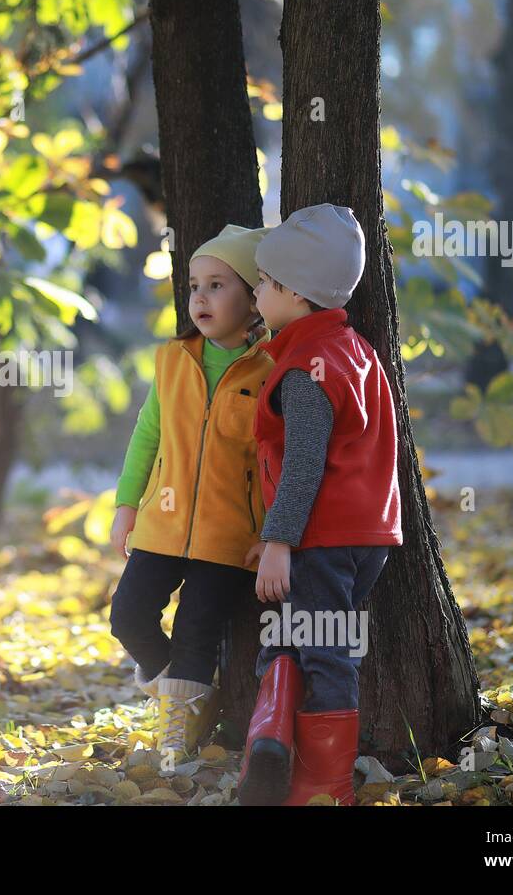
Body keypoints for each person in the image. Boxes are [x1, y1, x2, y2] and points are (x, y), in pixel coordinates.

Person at [236, 203, 402, 805]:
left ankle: (324, 789)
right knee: (291, 635)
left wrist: (279, 542)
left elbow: (306, 463)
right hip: (365, 536)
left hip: (322, 541)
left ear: (295, 294)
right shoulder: (353, 350)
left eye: (262, 282)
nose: (254, 291)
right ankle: (270, 751)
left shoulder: (308, 369)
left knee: (326, 652)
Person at [108, 223, 274, 759]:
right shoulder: (172, 360)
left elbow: (278, 462)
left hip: (228, 537)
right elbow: (146, 437)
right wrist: (126, 506)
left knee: (197, 632)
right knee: (128, 615)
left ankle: (178, 736)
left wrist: (273, 535)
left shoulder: (272, 369)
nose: (200, 296)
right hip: (162, 522)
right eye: (195, 285)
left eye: (218, 285)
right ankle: (180, 697)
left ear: (254, 300)